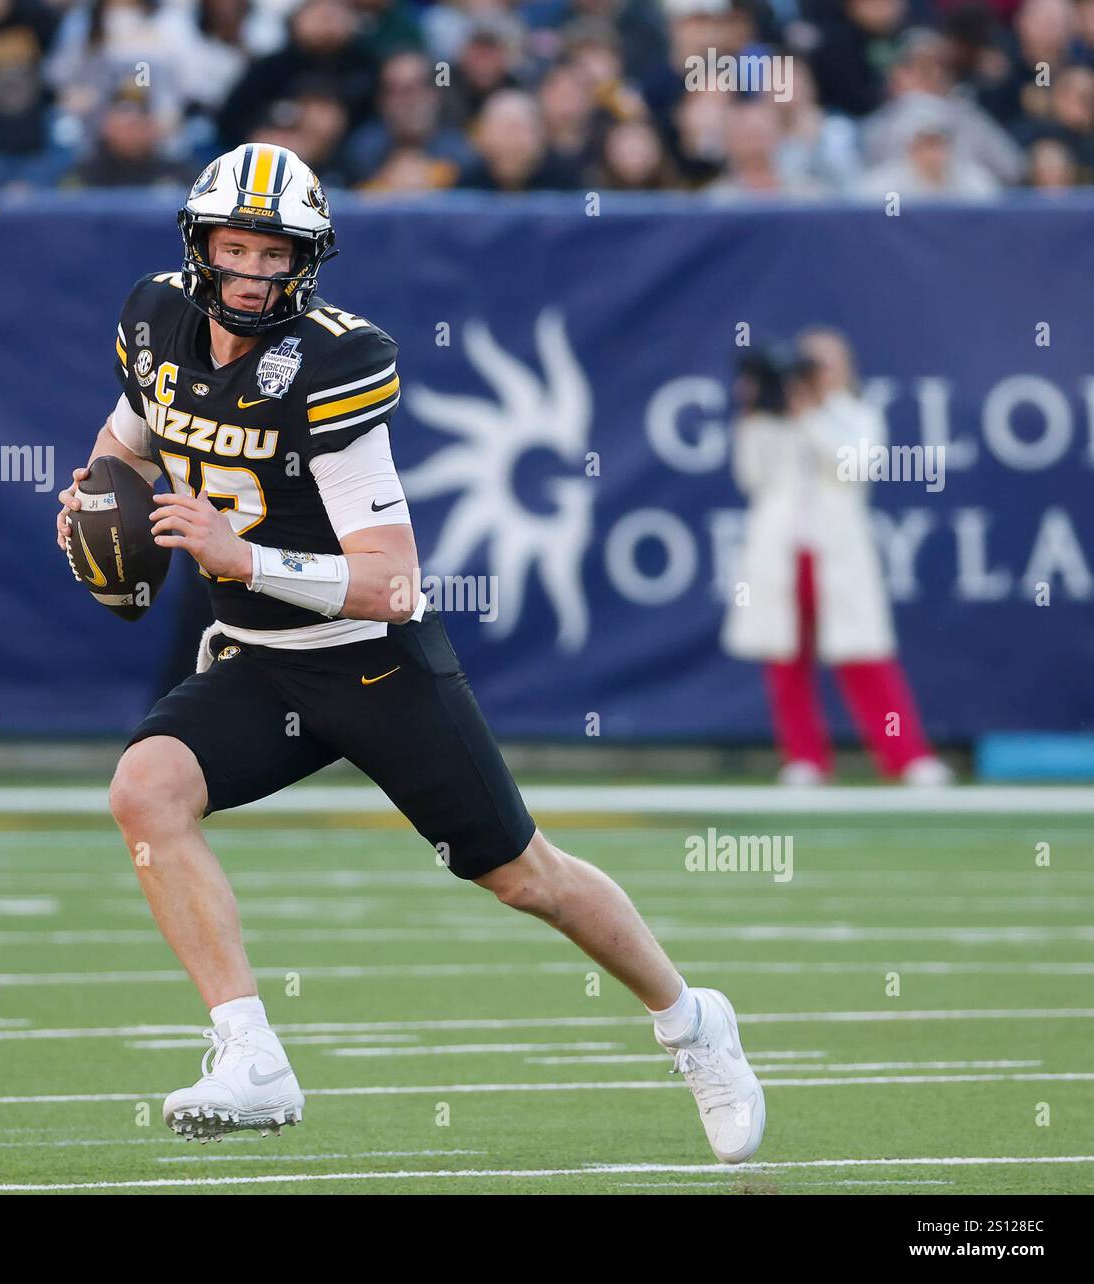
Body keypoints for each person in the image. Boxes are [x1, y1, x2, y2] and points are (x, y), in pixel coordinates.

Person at [55, 143, 765, 1161]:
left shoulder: (336, 363)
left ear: (308, 261)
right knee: (144, 791)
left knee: (525, 876)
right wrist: (95, 498)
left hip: (370, 657)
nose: (254, 270)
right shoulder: (155, 316)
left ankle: (690, 1022)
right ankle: (249, 1054)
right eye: (237, 246)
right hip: (258, 660)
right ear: (199, 245)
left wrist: (237, 555)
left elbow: (393, 581)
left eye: (276, 252)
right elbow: (128, 434)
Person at [721, 334, 951, 786]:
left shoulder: (855, 415)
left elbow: (856, 467)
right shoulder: (773, 418)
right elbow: (751, 475)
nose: (816, 375)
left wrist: (810, 419)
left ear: (845, 368)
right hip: (782, 553)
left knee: (864, 656)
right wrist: (755, 414)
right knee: (785, 660)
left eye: (825, 365)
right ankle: (804, 759)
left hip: (838, 553)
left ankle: (907, 757)